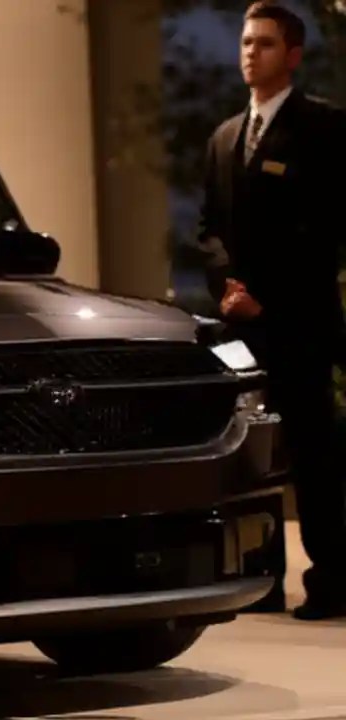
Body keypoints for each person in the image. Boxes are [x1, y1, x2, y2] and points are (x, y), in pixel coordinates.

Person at [197, 1, 346, 620]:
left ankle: (333, 581)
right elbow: (208, 228)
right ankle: (261, 580)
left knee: (314, 457)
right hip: (242, 326)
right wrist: (227, 286)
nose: (249, 53)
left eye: (263, 43)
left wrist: (269, 297)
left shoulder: (325, 128)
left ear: (293, 55)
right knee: (250, 454)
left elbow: (325, 228)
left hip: (301, 322)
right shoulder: (225, 137)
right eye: (245, 42)